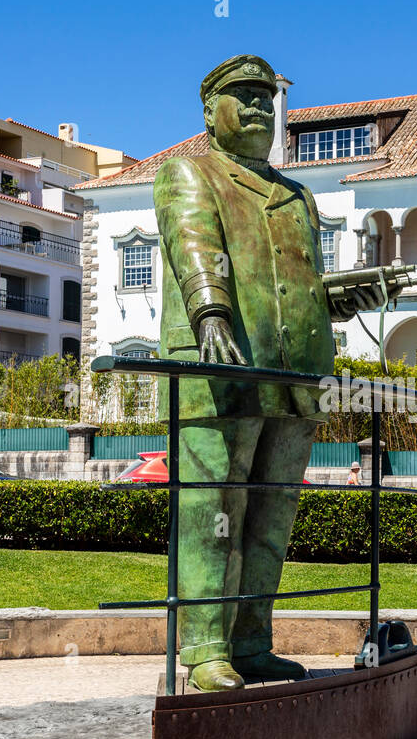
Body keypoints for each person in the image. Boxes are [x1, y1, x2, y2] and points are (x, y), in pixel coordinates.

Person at [152, 54, 401, 692]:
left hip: (294, 378)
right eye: (246, 96)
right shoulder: (189, 172)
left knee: (270, 517)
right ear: (211, 111)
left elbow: (300, 285)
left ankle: (252, 641)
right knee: (214, 511)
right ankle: (205, 647)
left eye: (268, 97)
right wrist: (210, 311)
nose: (261, 107)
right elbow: (194, 246)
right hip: (218, 369)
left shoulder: (299, 197)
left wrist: (342, 294)